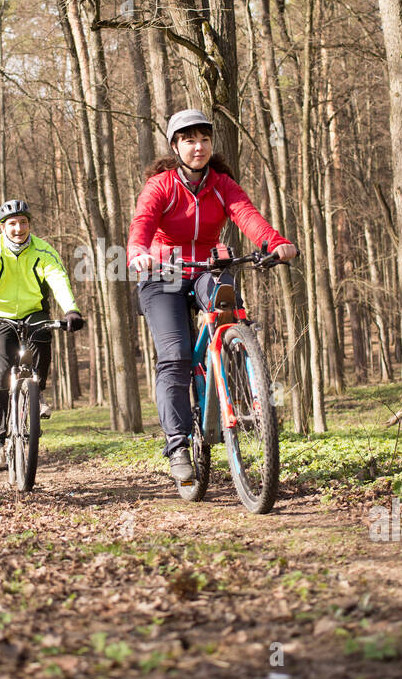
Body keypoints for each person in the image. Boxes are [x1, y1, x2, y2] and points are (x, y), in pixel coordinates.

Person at [127, 110, 298, 484]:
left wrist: (275, 242)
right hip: (163, 272)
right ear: (176, 147)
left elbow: (247, 216)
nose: (198, 147)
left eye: (204, 139)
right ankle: (177, 445)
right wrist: (138, 251)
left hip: (207, 266)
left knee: (228, 308)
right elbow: (142, 222)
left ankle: (241, 386)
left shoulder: (222, 185)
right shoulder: (161, 185)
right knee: (175, 357)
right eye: (189, 140)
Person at [0, 199, 85, 471]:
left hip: (33, 311)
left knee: (43, 336)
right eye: (12, 224)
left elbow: (58, 278)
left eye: (23, 223)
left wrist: (71, 310)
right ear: (2, 227)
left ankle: (37, 390)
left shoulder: (43, 250)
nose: (18, 229)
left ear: (30, 224)